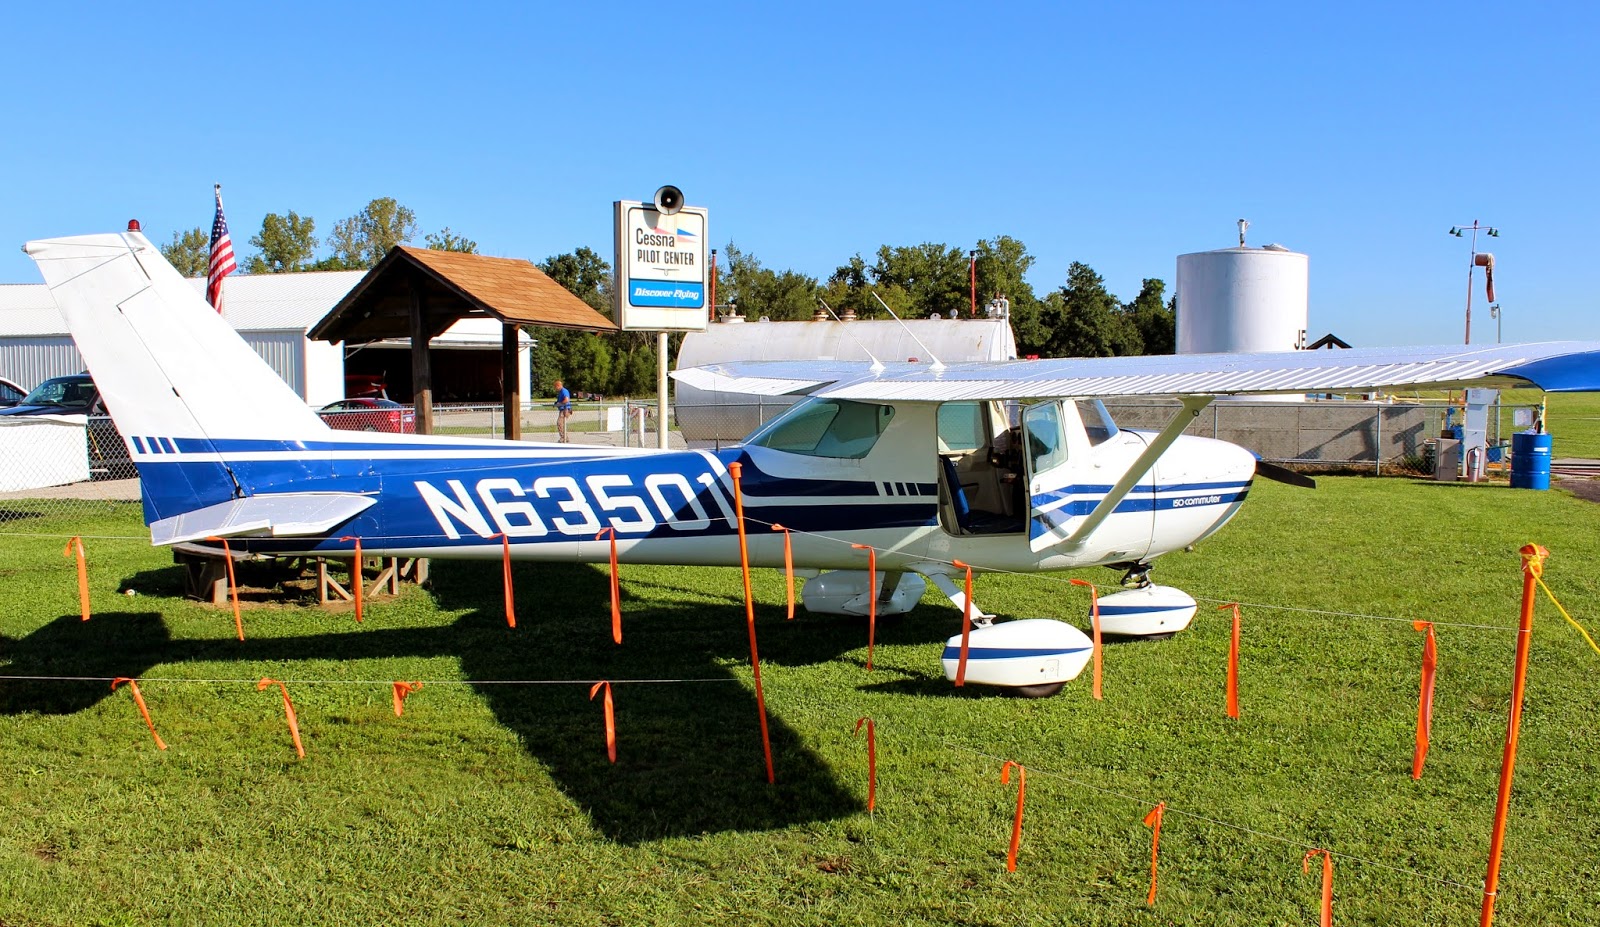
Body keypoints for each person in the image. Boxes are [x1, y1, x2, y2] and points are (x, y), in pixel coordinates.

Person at [553, 378, 572, 443]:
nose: (555, 389)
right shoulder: (560, 392)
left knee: (559, 423)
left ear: (558, 386)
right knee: (562, 424)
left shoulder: (564, 391)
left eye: (555, 387)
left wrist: (559, 404)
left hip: (565, 409)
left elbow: (566, 400)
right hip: (562, 409)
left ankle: (563, 437)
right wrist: (556, 403)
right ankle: (565, 437)